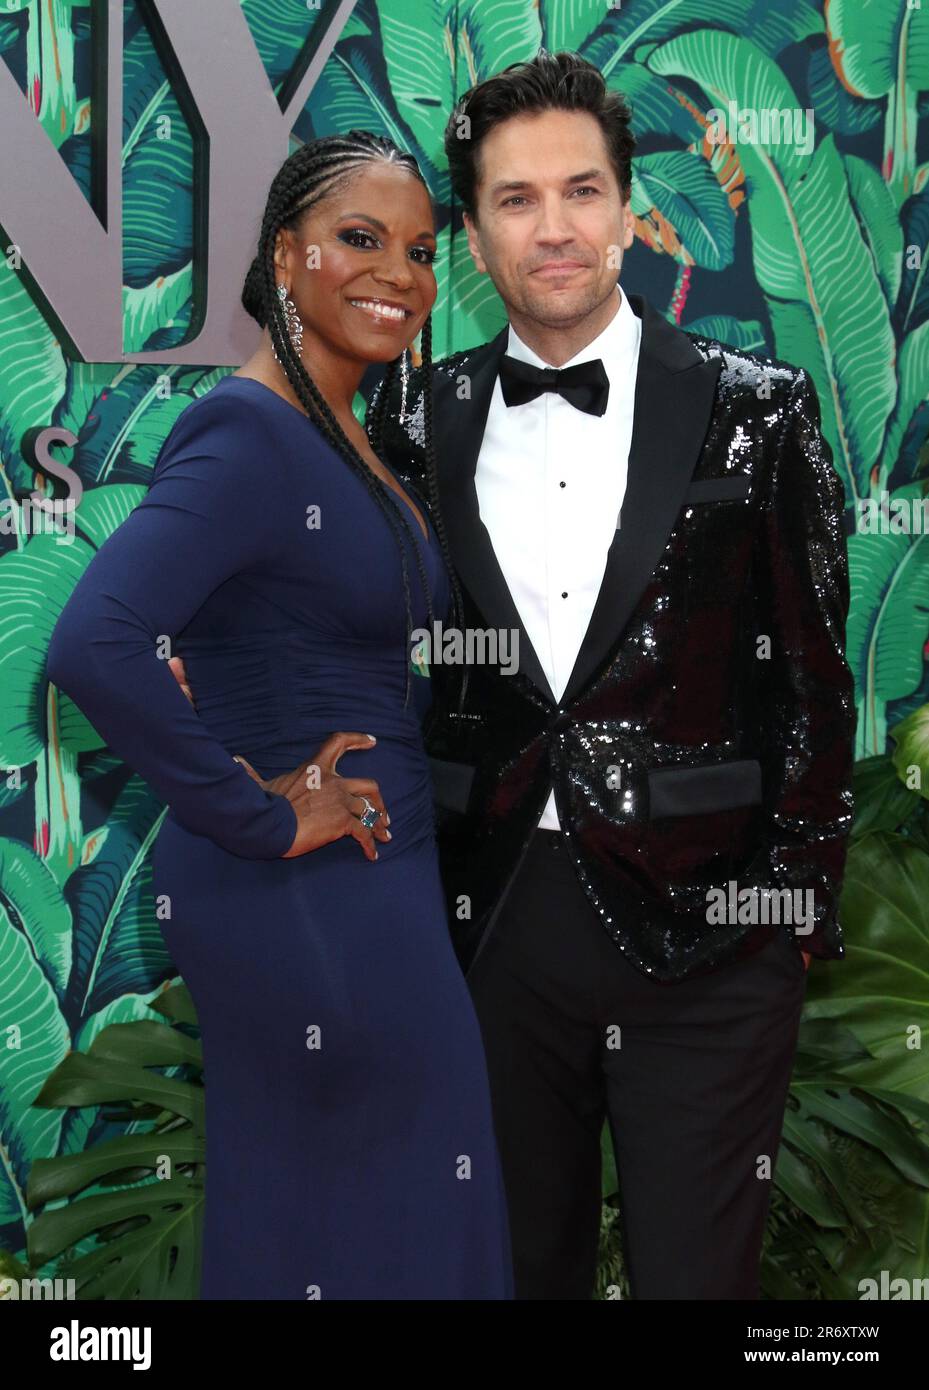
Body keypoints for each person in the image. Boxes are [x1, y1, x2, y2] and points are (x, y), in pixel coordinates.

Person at [363, 52, 856, 1299]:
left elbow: (810, 670)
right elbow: (384, 666)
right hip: (490, 927)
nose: (553, 227)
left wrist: (789, 906)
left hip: (707, 934)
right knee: (512, 1272)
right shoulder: (417, 422)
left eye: (580, 190)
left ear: (627, 206)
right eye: (515, 200)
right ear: (472, 235)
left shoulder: (758, 409)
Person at [46, 131, 513, 1301]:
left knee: (336, 1218)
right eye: (360, 239)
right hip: (312, 890)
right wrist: (256, 813)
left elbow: (308, 643)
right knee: (394, 1222)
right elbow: (95, 640)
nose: (399, 275)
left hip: (368, 872)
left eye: (419, 251)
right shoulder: (248, 430)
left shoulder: (340, 432)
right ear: (285, 253)